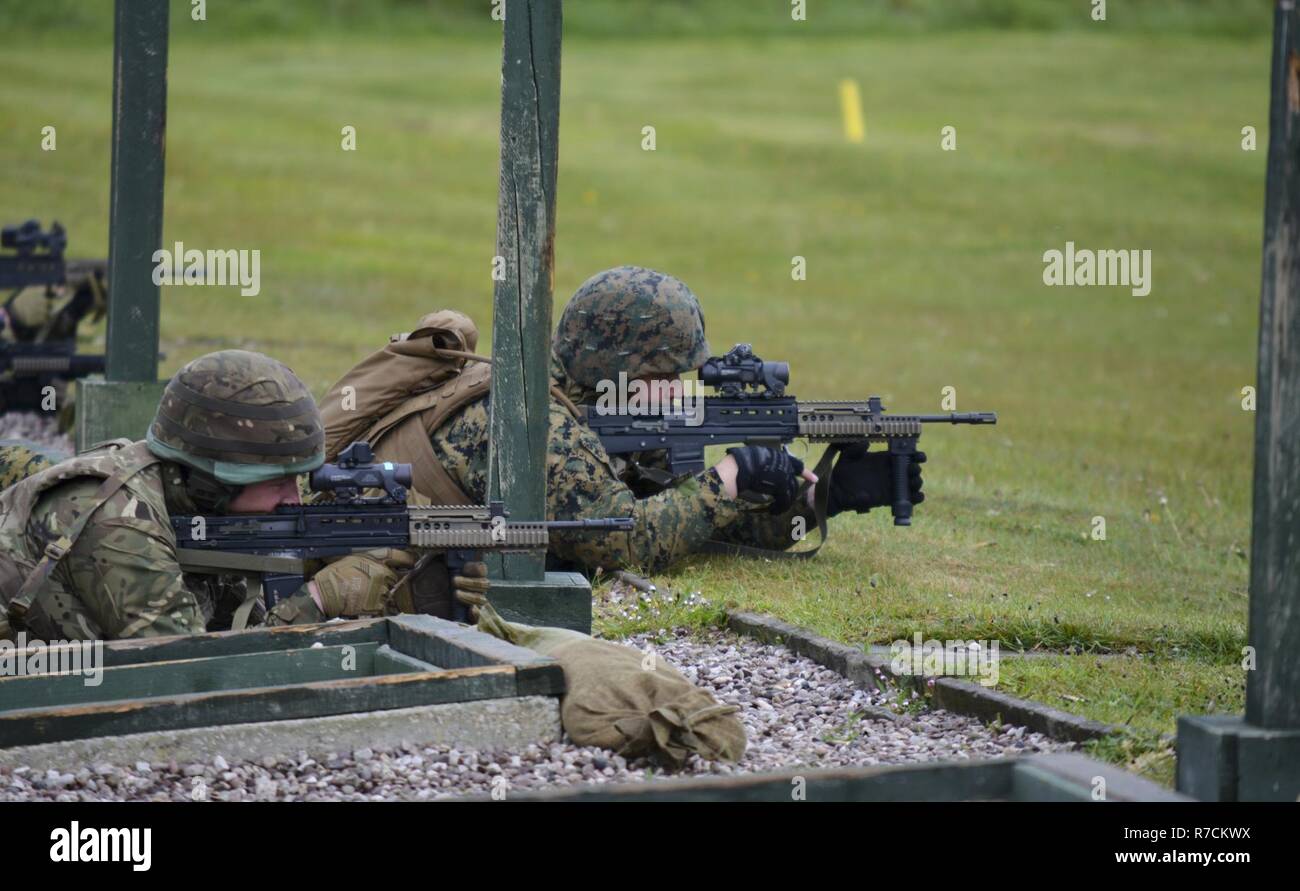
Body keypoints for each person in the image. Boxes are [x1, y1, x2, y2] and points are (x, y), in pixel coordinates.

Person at [352, 265, 925, 575]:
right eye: (667, 374)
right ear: (617, 370)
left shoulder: (604, 408)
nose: (679, 390)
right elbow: (627, 543)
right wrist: (729, 479)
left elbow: (680, 521)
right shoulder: (542, 430)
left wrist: (821, 498)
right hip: (378, 562)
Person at [0, 349, 413, 641]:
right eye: (276, 481)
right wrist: (318, 600)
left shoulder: (193, 504)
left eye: (299, 478)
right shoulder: (120, 523)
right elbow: (186, 674)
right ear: (214, 478)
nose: (295, 498)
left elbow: (230, 617)